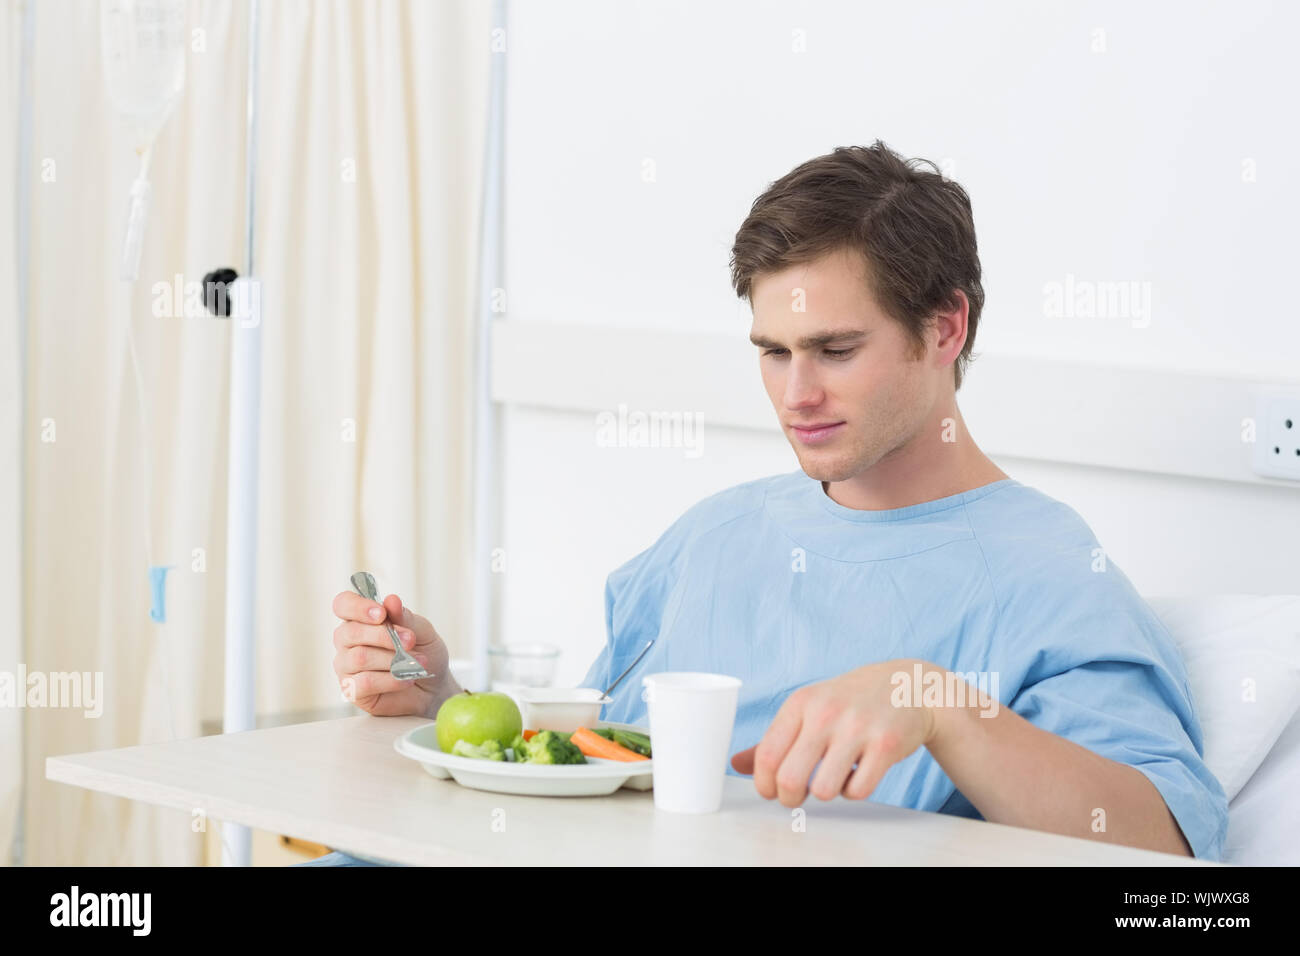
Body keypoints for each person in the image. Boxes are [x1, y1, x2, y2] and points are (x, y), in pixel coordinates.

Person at [308, 141, 1227, 866]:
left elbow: (1166, 852)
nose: (795, 396)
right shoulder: (715, 536)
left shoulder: (1049, 574)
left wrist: (941, 707)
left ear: (945, 327)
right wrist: (447, 708)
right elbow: (606, 768)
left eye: (833, 349)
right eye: (772, 351)